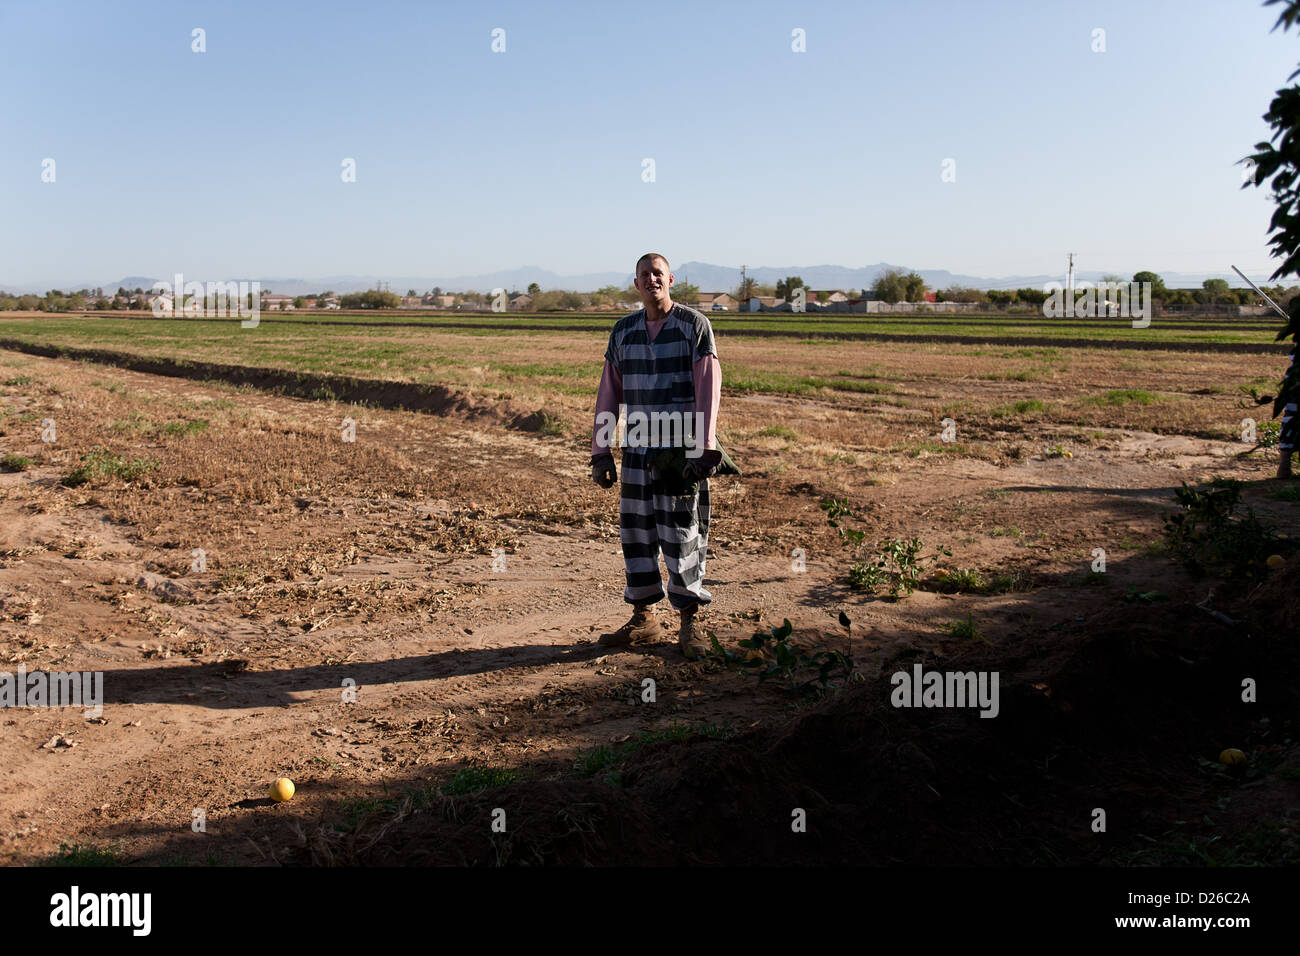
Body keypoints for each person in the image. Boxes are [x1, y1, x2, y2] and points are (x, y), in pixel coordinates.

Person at [589, 253, 723, 659]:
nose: (652, 280)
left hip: (679, 454)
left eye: (658, 274)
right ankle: (643, 619)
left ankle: (690, 621)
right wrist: (600, 451)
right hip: (636, 451)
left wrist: (704, 446)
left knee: (682, 535)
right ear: (636, 284)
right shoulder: (624, 331)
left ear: (671, 279)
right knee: (637, 532)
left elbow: (709, 388)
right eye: (645, 275)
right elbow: (609, 392)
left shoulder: (693, 326)